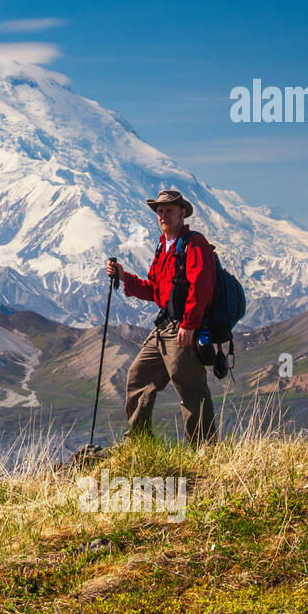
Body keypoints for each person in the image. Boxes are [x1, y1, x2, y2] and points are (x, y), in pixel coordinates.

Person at [105, 189, 217, 444]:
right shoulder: (163, 247)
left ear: (182, 213)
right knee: (138, 378)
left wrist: (189, 325)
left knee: (190, 391)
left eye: (169, 210)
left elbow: (201, 285)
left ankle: (206, 451)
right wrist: (124, 276)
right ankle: (140, 443)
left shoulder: (193, 243)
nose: (163, 215)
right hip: (165, 327)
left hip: (182, 329)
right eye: (160, 211)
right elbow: (155, 290)